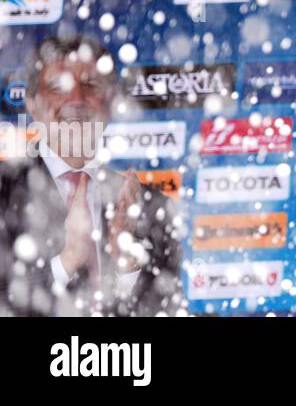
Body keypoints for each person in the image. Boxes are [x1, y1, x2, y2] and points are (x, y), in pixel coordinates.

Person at [0, 35, 185, 316]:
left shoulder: (150, 207)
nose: (76, 99)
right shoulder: (4, 194)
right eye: (57, 87)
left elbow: (165, 309)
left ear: (110, 103)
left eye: (90, 85)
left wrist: (127, 264)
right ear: (33, 104)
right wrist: (67, 260)